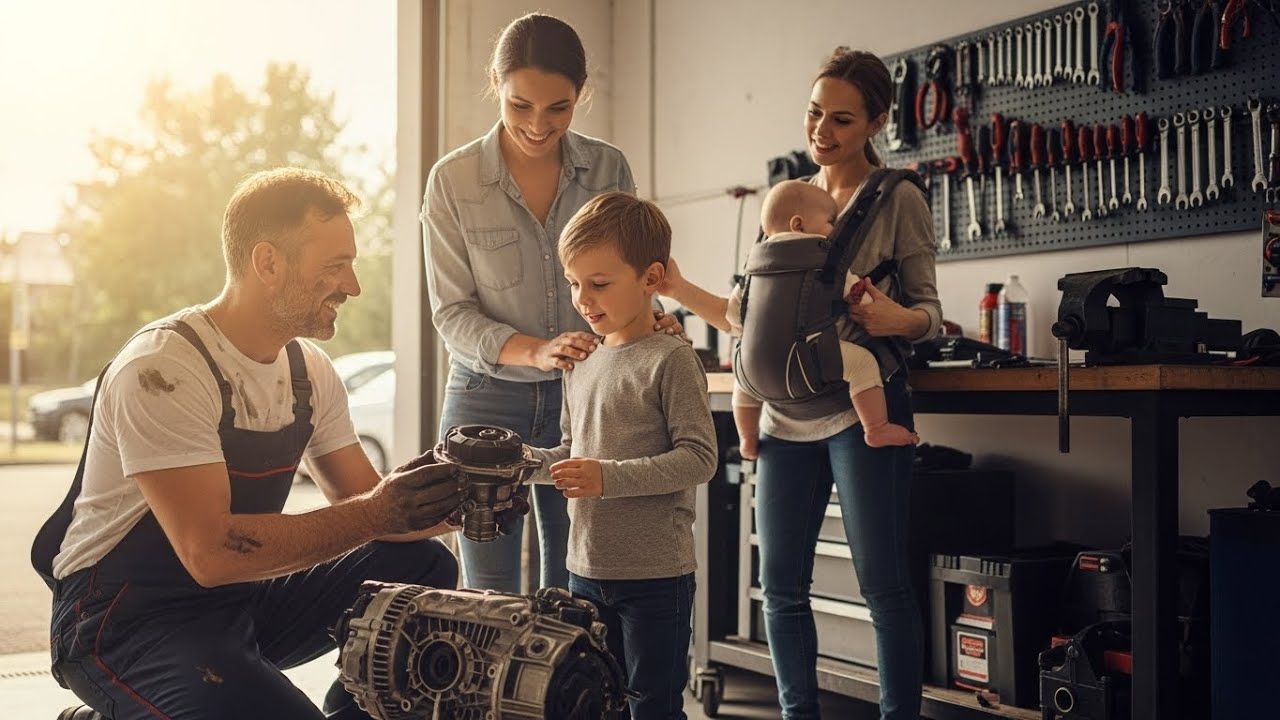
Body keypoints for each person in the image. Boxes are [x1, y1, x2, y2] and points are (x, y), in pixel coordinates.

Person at [33, 168, 464, 720]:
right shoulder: (162, 369)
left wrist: (462, 501)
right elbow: (210, 553)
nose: (352, 286)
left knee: (421, 564)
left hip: (238, 601)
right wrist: (377, 511)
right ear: (268, 263)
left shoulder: (309, 371)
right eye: (335, 267)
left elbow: (369, 504)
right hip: (123, 621)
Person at [659, 47, 942, 720]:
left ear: (876, 122)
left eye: (841, 120)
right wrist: (673, 287)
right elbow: (743, 312)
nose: (822, 130)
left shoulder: (898, 198)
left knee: (883, 586)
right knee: (780, 587)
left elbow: (928, 315)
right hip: (785, 419)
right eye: (815, 113)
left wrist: (887, 315)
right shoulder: (787, 202)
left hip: (859, 406)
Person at [421, 12, 681, 594]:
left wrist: (652, 318)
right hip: (486, 397)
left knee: (574, 583)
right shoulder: (452, 181)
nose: (538, 126)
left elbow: (632, 274)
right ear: (496, 84)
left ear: (581, 95)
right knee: (486, 593)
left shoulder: (609, 168)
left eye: (558, 109)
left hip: (591, 393)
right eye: (520, 107)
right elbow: (450, 312)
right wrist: (536, 351)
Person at [524, 191, 717, 720]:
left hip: (657, 577)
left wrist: (607, 478)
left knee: (652, 705)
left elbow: (699, 459)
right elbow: (571, 454)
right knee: (592, 702)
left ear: (652, 279)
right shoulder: (580, 363)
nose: (583, 298)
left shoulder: (672, 359)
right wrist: (520, 465)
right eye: (574, 283)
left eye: (600, 284)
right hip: (585, 569)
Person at [729, 179, 920, 450]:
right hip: (806, 358)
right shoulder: (822, 259)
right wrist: (861, 299)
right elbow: (860, 296)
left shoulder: (752, 268)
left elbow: (734, 315)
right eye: (830, 222)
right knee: (864, 363)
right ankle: (877, 428)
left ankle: (747, 439)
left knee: (744, 379)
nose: (833, 230)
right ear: (799, 225)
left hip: (756, 362)